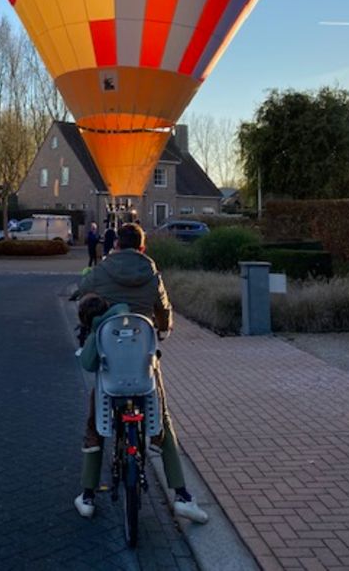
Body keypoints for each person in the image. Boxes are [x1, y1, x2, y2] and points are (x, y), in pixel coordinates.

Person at [73, 223, 208, 524]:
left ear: (117, 244)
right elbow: (164, 312)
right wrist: (162, 326)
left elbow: (82, 292)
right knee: (163, 420)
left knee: (95, 423)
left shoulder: (102, 270)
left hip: (110, 367)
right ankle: (182, 495)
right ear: (143, 247)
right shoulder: (152, 273)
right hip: (142, 366)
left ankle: (88, 496)